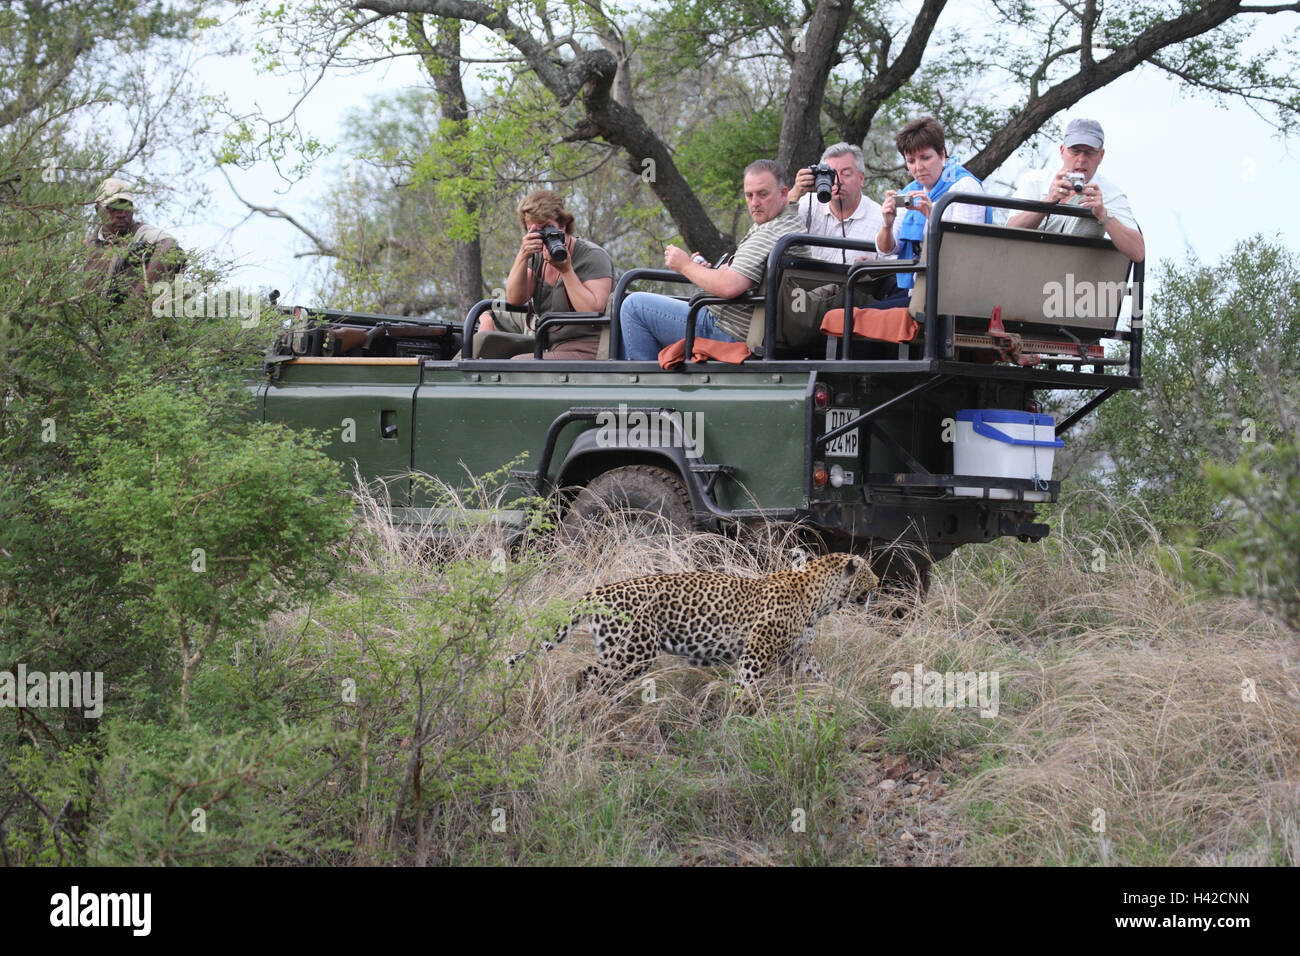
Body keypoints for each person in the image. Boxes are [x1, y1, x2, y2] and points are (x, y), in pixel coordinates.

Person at [619, 159, 807, 360]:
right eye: (749, 195)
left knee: (633, 306)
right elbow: (736, 278)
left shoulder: (772, 231)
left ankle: (644, 388)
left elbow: (729, 286)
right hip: (747, 325)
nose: (754, 202)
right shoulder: (788, 225)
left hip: (728, 330)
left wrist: (684, 265)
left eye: (763, 194)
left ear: (784, 193)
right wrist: (703, 271)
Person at [475, 189, 613, 359]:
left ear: (563, 225)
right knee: (488, 355)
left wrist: (566, 270)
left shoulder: (592, 256)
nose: (543, 236)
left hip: (589, 349)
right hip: (550, 346)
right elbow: (515, 299)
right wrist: (523, 255)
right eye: (534, 231)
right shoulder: (538, 257)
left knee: (516, 365)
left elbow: (592, 310)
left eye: (548, 228)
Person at [872, 117, 990, 308]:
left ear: (942, 154)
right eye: (910, 161)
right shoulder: (910, 190)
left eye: (925, 158)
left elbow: (964, 249)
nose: (918, 168)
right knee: (851, 315)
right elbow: (887, 249)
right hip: (918, 290)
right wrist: (887, 223)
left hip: (953, 294)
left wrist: (932, 216)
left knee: (858, 319)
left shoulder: (964, 188)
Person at [1006, 118, 1144, 262]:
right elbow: (1009, 232)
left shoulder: (1109, 193)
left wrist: (1103, 214)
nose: (1082, 159)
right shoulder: (1034, 180)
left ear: (1101, 156)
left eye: (1090, 152)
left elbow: (1138, 252)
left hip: (1073, 281)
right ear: (1062, 151)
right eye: (1075, 151)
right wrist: (1047, 202)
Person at [85, 177, 185, 305]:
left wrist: (135, 301)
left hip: (134, 317)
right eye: (113, 208)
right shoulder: (87, 246)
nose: (121, 214)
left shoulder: (139, 233)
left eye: (126, 207)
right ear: (98, 210)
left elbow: (168, 244)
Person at [787, 143, 887, 264]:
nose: (837, 181)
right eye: (830, 174)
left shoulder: (881, 219)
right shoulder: (805, 203)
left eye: (846, 174)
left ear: (861, 179)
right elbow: (774, 231)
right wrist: (794, 193)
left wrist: (875, 268)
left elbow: (894, 265)